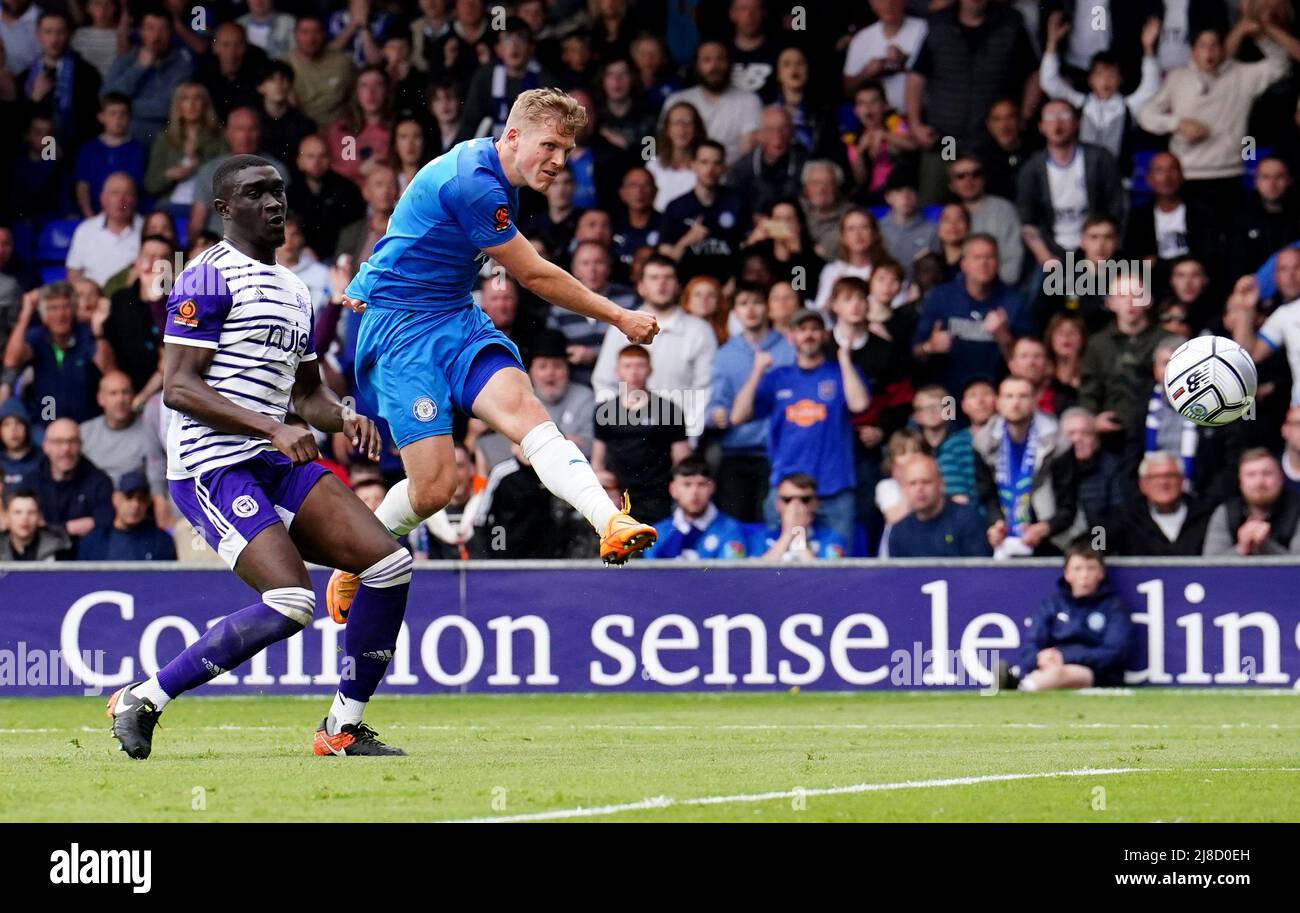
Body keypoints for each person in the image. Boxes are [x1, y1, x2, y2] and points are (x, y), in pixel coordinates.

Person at [106, 152, 413, 761]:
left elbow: (307, 394)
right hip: (209, 466)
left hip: (270, 458)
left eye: (278, 192)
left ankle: (342, 729)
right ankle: (145, 697)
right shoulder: (205, 277)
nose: (274, 203)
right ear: (224, 209)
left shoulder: (296, 288)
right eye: (255, 194)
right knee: (293, 601)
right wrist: (274, 428)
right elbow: (180, 387)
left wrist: (345, 417)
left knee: (389, 564)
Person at [329, 88, 663, 624]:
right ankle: (354, 559)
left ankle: (610, 522)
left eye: (567, 150)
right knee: (436, 488)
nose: (559, 160)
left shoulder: (493, 171)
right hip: (401, 334)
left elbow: (413, 228)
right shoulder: (476, 184)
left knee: (530, 416)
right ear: (511, 137)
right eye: (549, 146)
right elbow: (533, 274)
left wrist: (375, 269)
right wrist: (620, 317)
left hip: (456, 316)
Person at [730, 307, 871, 545]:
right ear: (790, 336)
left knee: (838, 571)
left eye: (815, 329)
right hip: (786, 492)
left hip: (834, 489)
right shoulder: (777, 377)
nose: (809, 335)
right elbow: (737, 416)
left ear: (825, 335)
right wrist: (756, 372)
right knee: (781, 564)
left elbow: (859, 405)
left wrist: (845, 359)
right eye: (802, 329)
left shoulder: (841, 372)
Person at [591, 254, 717, 436]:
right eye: (654, 278)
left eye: (668, 277)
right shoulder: (619, 329)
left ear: (678, 286)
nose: (661, 283)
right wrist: (616, 430)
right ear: (641, 287)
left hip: (679, 438)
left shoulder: (699, 330)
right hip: (627, 438)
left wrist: (688, 437)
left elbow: (705, 390)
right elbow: (604, 383)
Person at [707, 282, 795, 521]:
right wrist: (716, 414)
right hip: (736, 453)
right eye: (743, 304)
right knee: (736, 526)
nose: (751, 310)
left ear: (767, 308)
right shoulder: (725, 354)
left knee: (772, 523)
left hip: (779, 454)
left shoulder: (790, 348)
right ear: (734, 312)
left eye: (756, 303)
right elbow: (715, 403)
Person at [973, 376, 1082, 558]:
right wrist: (996, 523)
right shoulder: (983, 443)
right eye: (1009, 396)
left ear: (1034, 401)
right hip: (1005, 537)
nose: (1015, 403)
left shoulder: (1058, 442)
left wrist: (1044, 528)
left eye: (1023, 396)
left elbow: (1068, 504)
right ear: (998, 402)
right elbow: (987, 495)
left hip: (1053, 538)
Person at [1000, 541, 1132, 692]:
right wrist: (1041, 658)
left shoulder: (1114, 607)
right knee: (1054, 671)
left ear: (1101, 573)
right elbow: (1030, 648)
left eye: (1091, 568)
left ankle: (1019, 687)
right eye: (1077, 569)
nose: (1084, 575)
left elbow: (1115, 652)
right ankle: (1021, 683)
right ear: (1067, 574)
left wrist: (1065, 657)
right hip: (1050, 667)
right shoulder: (1052, 605)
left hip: (1096, 674)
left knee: (1060, 673)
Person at [912, 234, 1033, 397]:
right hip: (948, 396)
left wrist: (1004, 338)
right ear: (964, 264)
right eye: (977, 257)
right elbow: (915, 351)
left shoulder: (1015, 302)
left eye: (990, 257)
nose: (984, 263)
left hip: (995, 397)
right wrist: (930, 346)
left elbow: (1028, 365)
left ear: (998, 263)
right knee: (946, 418)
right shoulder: (940, 297)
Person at [1017, 100, 1125, 268]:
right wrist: (1045, 257)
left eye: (1065, 117)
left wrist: (1104, 248)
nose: (1057, 124)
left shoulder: (1099, 158)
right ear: (1041, 126)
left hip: (1098, 248)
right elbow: (1028, 221)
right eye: (1050, 118)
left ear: (1076, 124)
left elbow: (1117, 207)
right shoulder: (1031, 169)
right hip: (1052, 250)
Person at [591, 344, 691, 525]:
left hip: (658, 495)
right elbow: (598, 459)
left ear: (650, 369)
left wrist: (680, 489)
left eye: (640, 365)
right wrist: (600, 477)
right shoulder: (604, 411)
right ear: (617, 371)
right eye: (628, 366)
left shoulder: (669, 409)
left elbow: (682, 459)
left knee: (657, 548)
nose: (634, 372)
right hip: (618, 495)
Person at [3, 283, 114, 424]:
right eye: (53, 308)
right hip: (47, 423)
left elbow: (110, 372)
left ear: (73, 310)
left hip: (88, 424)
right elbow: (11, 360)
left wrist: (98, 334)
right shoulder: (37, 337)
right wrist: (25, 314)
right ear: (43, 316)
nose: (60, 315)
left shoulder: (87, 334)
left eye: (65, 307)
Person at [1079, 275, 1161, 449]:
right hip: (1112, 433)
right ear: (1110, 303)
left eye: (1137, 295)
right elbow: (1089, 389)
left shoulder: (1167, 341)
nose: (1130, 301)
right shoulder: (1098, 344)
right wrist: (1093, 419)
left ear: (1149, 300)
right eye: (1122, 296)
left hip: (1157, 429)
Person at [658, 140, 751, 283]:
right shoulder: (676, 207)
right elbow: (663, 263)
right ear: (693, 165)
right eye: (704, 162)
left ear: (724, 168)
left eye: (716, 163)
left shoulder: (738, 203)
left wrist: (734, 284)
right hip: (686, 289)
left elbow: (746, 253)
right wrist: (686, 241)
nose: (710, 169)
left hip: (729, 288)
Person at [100, 7, 194, 145]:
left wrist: (127, 108)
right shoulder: (125, 61)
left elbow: (168, 107)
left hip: (166, 142)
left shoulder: (182, 66)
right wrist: (139, 68)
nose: (157, 35)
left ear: (171, 32)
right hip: (125, 141)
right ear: (141, 32)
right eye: (150, 28)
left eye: (163, 29)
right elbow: (106, 97)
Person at [662, 40, 761, 165]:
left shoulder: (749, 101)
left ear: (729, 63)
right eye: (706, 60)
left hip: (731, 178)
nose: (714, 67)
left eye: (720, 59)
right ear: (697, 65)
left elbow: (748, 155)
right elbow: (660, 143)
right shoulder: (676, 100)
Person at [1107, 451, 1212, 557]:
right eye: (1155, 477)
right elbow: (1096, 541)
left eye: (1170, 476)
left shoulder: (1206, 514)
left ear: (1181, 481)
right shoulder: (1126, 515)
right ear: (1142, 484)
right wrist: (1094, 551)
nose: (1163, 483)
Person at [884, 455, 990, 558]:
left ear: (941, 484)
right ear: (904, 489)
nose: (919, 489)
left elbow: (980, 571)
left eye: (926, 482)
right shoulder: (898, 532)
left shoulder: (969, 521)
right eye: (912, 483)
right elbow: (897, 575)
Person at [644, 456, 748, 560]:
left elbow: (731, 574)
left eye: (701, 484)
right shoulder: (657, 533)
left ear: (712, 487)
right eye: (687, 485)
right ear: (673, 489)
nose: (694, 492)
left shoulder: (730, 530)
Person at [1202, 449, 1300, 556]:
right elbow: (1210, 565)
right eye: (1251, 475)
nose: (1259, 482)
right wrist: (1241, 549)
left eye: (1267, 473)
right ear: (1240, 481)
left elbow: (1297, 566)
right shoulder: (1225, 512)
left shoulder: (1297, 510)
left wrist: (1266, 545)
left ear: (1281, 478)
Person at [33, 417, 113, 543]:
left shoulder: (99, 481)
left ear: (81, 445)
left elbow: (104, 521)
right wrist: (68, 528)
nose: (66, 448)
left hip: (84, 555)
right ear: (45, 447)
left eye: (72, 441)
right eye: (58, 442)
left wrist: (52, 529)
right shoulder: (32, 479)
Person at [74, 469, 176, 560]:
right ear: (115, 498)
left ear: (148, 503)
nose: (136, 505)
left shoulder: (160, 542)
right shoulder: (93, 542)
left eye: (141, 499)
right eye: (129, 497)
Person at [75, 94, 147, 218]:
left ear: (130, 118)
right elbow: (82, 186)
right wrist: (89, 215)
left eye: (123, 114)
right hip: (93, 212)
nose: (118, 119)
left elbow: (134, 188)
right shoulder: (89, 149)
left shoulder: (137, 150)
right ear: (101, 117)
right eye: (112, 113)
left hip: (125, 213)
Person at [65, 172, 142, 286]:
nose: (121, 200)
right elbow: (73, 274)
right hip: (94, 300)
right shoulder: (85, 230)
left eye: (127, 194)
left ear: (135, 199)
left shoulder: (147, 228)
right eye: (115, 193)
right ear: (103, 198)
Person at [752, 471, 847, 561]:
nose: (795, 506)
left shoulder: (831, 538)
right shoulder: (761, 538)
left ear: (816, 503)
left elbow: (828, 576)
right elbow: (754, 575)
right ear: (777, 505)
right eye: (787, 500)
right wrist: (787, 534)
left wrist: (799, 535)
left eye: (805, 499)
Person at [0, 488, 72, 561]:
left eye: (31, 512)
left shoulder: (58, 550)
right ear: (7, 517)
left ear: (39, 517)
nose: (25, 518)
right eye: (17, 512)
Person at [0, 399, 41, 489]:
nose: (13, 430)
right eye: (6, 424)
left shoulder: (42, 460)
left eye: (19, 423)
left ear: (27, 427)